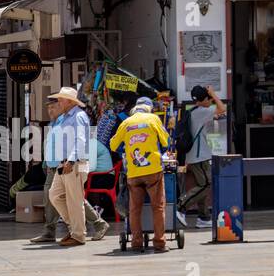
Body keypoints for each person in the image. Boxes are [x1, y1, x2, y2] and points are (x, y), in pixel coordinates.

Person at [34, 90, 107, 246]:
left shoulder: (78, 116)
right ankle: (74, 227)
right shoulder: (66, 118)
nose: (59, 102)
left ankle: (78, 235)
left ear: (69, 101)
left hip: (73, 163)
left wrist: (71, 160)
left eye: (61, 100)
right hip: (63, 163)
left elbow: (80, 141)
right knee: (55, 195)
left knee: (75, 201)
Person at [109, 96, 171, 253]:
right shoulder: (153, 119)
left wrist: (126, 149)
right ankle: (159, 243)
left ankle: (136, 243)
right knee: (158, 207)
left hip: (134, 173)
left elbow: (113, 145)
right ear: (149, 108)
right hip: (153, 172)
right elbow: (166, 142)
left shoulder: (126, 122)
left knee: (135, 209)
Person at [177, 85, 225, 227]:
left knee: (200, 184)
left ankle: (204, 218)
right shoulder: (202, 112)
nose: (210, 101)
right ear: (203, 99)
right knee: (206, 184)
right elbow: (222, 108)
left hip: (194, 155)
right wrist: (214, 93)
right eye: (209, 99)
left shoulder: (193, 112)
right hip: (200, 155)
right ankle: (181, 207)